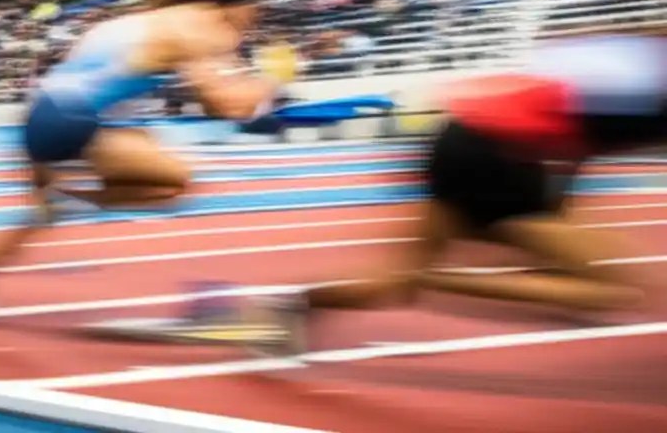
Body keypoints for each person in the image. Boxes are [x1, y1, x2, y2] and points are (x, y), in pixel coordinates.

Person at [248, 33, 664, 357]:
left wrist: (552, 227)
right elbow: (575, 154)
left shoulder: (639, 60)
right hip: (499, 154)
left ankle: (292, 302)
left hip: (463, 136)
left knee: (391, 285)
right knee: (608, 290)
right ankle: (431, 279)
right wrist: (550, 228)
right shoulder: (650, 92)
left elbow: (571, 141)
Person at [0, 0, 283, 308]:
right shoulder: (204, 30)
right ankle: (67, 199)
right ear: (235, 7)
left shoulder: (143, 19)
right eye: (254, 13)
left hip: (44, 111)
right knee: (175, 184)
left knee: (41, 218)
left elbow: (86, 74)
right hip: (71, 119)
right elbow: (228, 105)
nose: (253, 22)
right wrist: (272, 79)